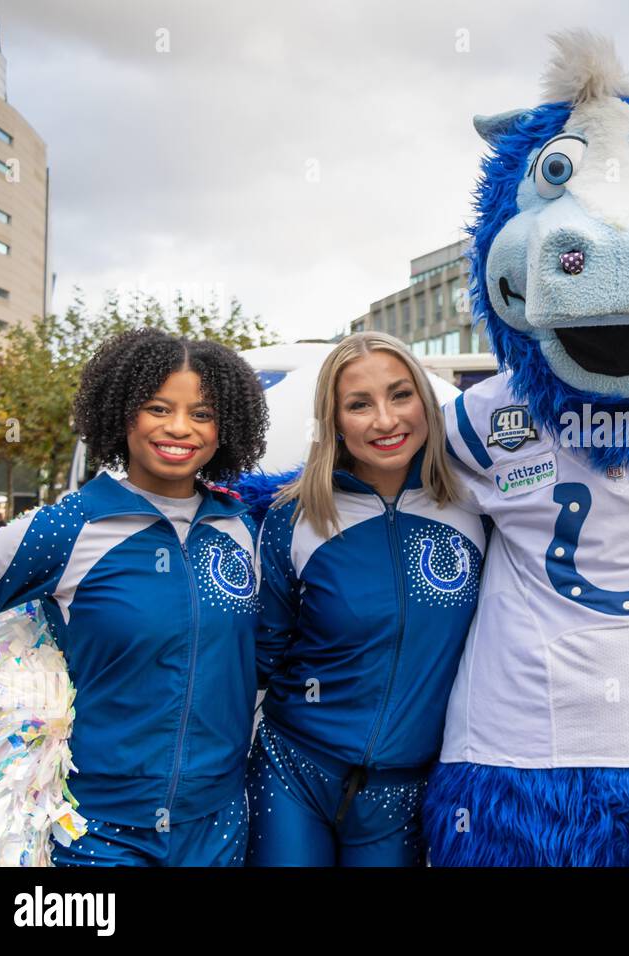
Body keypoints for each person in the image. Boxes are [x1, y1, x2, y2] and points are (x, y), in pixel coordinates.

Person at [0, 327, 268, 866]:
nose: (179, 428)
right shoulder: (65, 528)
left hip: (219, 823)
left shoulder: (245, 528)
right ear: (122, 413)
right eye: (157, 408)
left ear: (228, 428)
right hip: (97, 828)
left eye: (201, 413)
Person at [247, 332, 484, 867]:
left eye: (401, 395)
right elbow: (260, 656)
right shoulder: (294, 517)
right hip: (293, 773)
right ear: (333, 421)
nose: (385, 420)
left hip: (404, 791)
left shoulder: (479, 507)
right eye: (359, 404)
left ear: (427, 401)